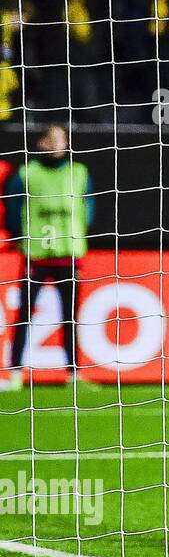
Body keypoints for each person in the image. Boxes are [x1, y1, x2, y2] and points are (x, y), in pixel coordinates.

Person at [3, 124, 94, 389]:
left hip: (69, 254)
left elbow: (89, 207)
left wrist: (78, 233)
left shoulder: (79, 172)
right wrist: (21, 237)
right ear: (41, 142)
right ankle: (15, 372)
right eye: (51, 139)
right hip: (36, 255)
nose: (56, 144)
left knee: (70, 316)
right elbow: (12, 208)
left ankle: (73, 373)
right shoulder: (27, 173)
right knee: (24, 314)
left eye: (61, 139)